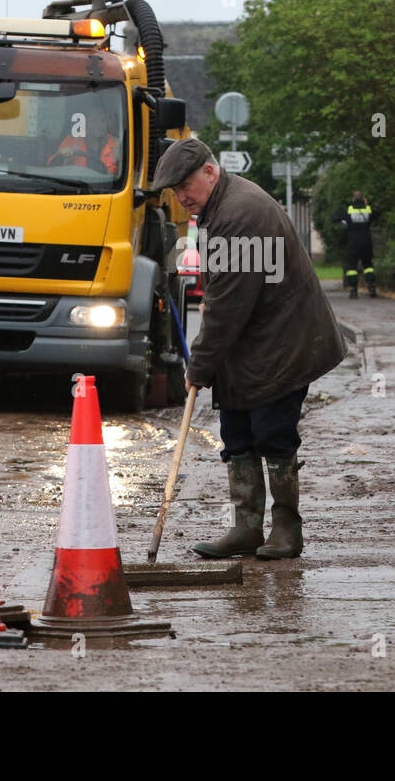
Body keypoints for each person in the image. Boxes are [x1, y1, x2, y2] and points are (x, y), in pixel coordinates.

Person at [153, 138, 346, 560]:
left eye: (186, 185)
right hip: (253, 344)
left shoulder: (239, 214)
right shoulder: (219, 205)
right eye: (175, 191)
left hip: (283, 345)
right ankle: (245, 528)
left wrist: (199, 365)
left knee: (273, 434)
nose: (183, 197)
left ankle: (286, 531)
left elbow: (226, 306)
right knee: (237, 433)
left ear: (210, 170)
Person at [331, 190, 376, 298]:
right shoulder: (368, 210)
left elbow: (333, 218)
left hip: (353, 242)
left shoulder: (348, 210)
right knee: (368, 265)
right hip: (367, 242)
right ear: (363, 199)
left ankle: (354, 290)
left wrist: (344, 221)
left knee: (352, 267)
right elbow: (377, 215)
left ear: (353, 199)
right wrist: (367, 205)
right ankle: (371, 287)